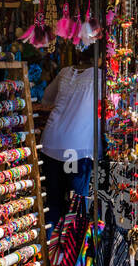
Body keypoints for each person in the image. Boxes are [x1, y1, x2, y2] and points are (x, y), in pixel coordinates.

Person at [39, 46, 102, 230]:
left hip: (50, 145)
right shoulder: (98, 77)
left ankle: (51, 253)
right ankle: (70, 254)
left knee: (54, 203)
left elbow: (46, 98)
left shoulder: (65, 72)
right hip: (73, 151)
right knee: (75, 206)